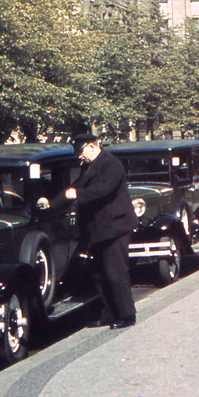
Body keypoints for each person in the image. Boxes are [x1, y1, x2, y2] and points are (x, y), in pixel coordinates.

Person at [53, 133, 138, 329]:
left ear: (92, 147)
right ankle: (109, 313)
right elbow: (72, 189)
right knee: (100, 274)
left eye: (81, 152)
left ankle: (127, 315)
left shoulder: (112, 164)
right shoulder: (89, 166)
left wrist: (78, 194)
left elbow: (103, 189)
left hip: (116, 227)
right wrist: (51, 204)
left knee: (115, 272)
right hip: (99, 230)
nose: (80, 157)